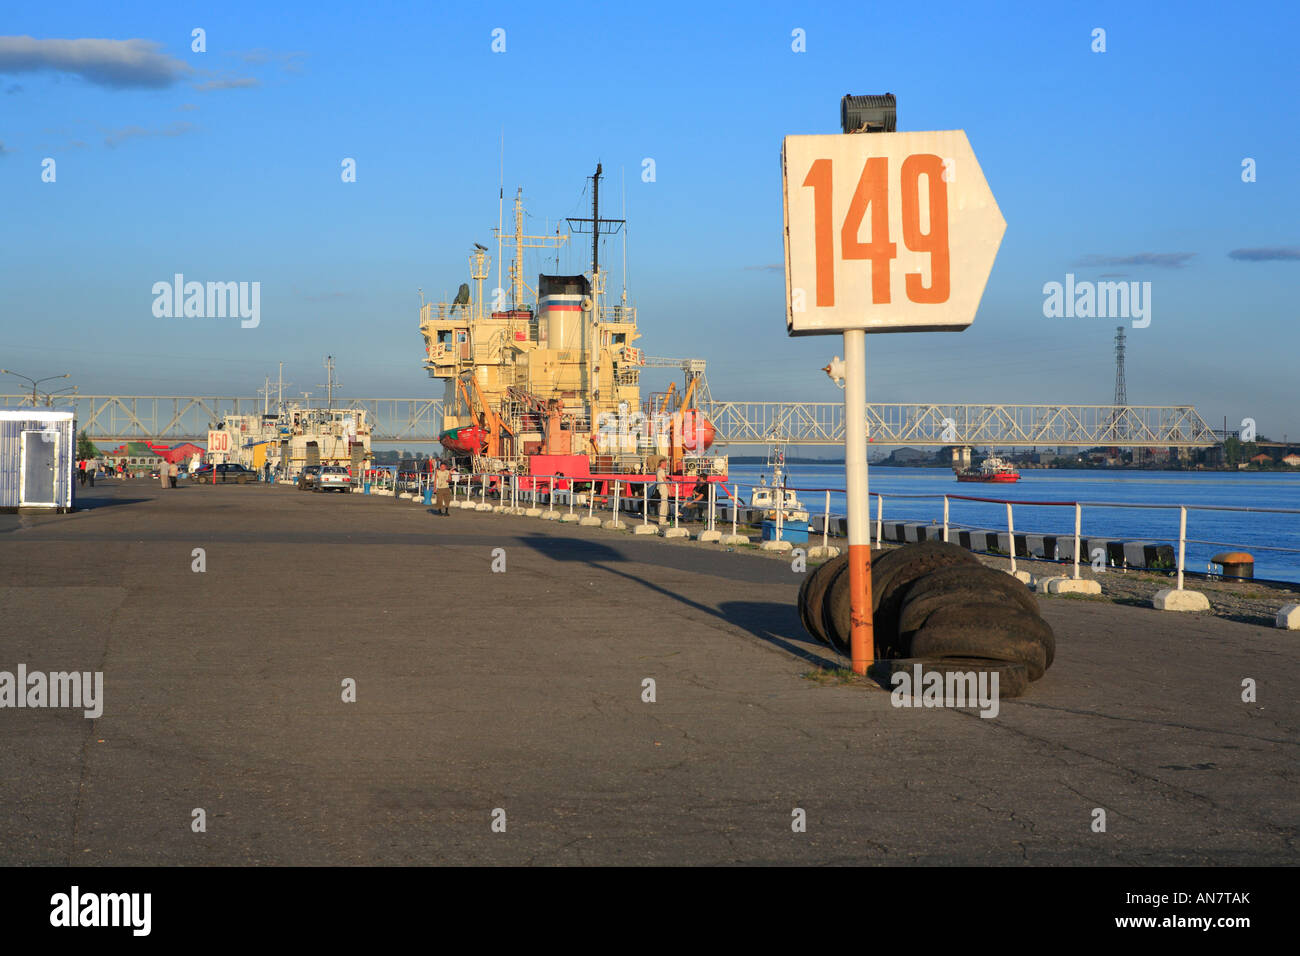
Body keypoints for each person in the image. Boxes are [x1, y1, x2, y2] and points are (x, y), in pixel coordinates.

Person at [655, 458, 670, 525]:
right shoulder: (661, 471)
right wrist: (670, 490)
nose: (666, 465)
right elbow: (665, 481)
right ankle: (662, 520)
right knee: (664, 504)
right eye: (665, 464)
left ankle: (663, 519)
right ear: (662, 464)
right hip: (663, 488)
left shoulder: (658, 470)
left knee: (664, 503)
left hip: (661, 488)